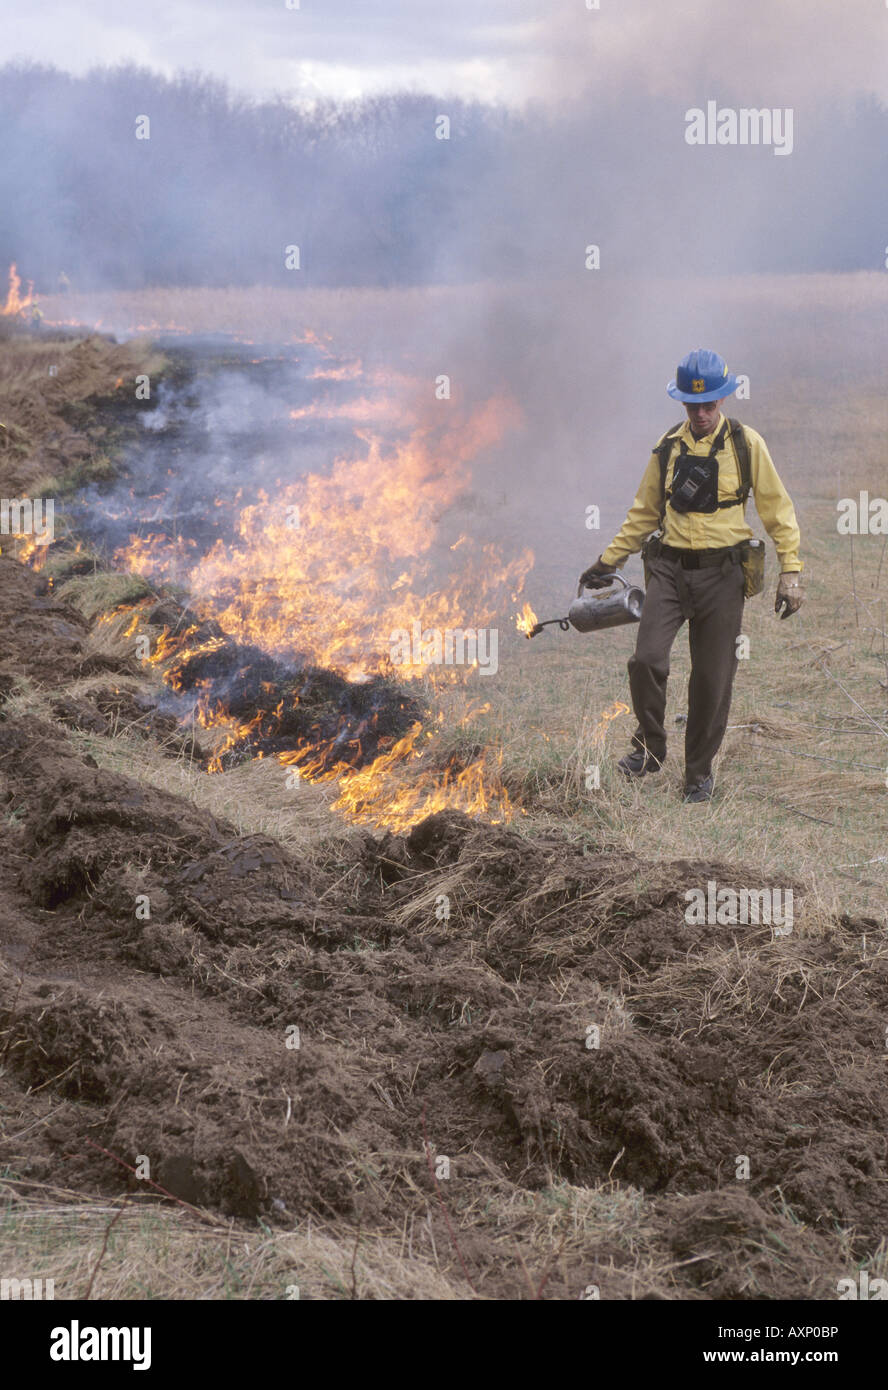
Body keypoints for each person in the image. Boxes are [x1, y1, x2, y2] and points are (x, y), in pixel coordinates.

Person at [579, 348, 803, 803]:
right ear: (681, 403)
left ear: (723, 399)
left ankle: (698, 775)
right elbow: (643, 513)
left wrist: (791, 572)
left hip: (723, 577)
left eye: (709, 405)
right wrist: (608, 561)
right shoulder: (667, 448)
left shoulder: (747, 444)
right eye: (692, 406)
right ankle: (650, 747)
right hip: (667, 570)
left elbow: (777, 510)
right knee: (646, 660)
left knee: (712, 678)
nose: (701, 414)